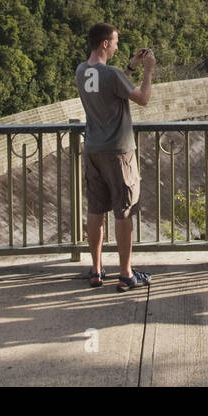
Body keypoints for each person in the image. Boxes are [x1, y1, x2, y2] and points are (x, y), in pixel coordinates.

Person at [75, 23, 155, 291]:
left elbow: (110, 84)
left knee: (95, 209)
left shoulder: (82, 71)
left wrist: (130, 67)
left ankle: (96, 270)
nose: (118, 45)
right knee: (124, 212)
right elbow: (142, 98)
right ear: (105, 44)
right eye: (116, 41)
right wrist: (147, 70)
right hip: (119, 152)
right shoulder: (110, 74)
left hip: (93, 150)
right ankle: (125, 274)